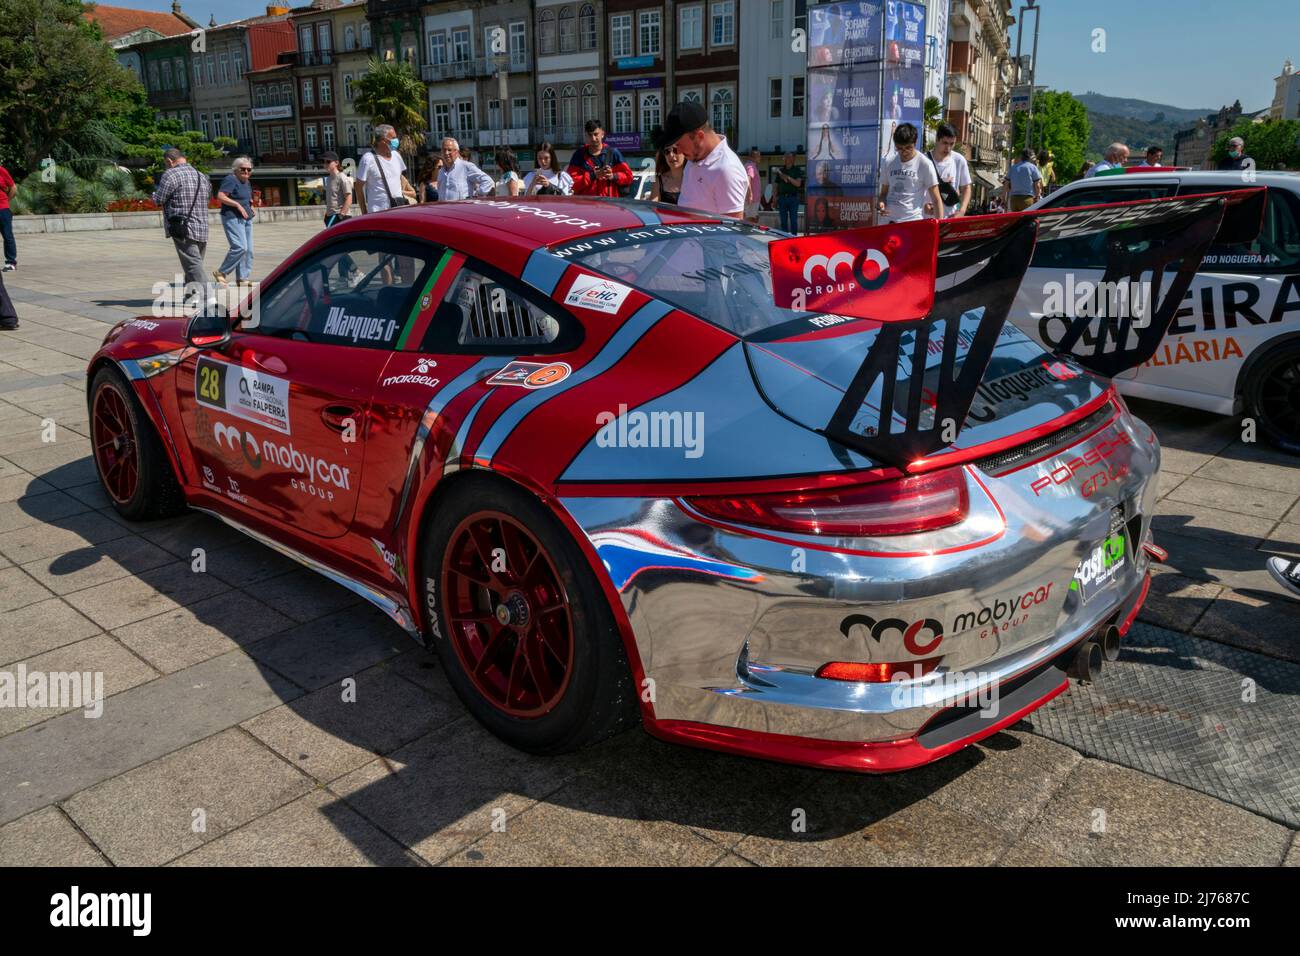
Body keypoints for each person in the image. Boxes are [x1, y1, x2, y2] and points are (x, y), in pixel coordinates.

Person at [660, 101, 749, 218]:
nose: (679, 151)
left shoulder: (726, 170)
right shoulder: (694, 158)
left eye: (679, 145)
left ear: (700, 136)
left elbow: (732, 230)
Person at [151, 147, 211, 295]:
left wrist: (153, 193)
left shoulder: (170, 174)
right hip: (202, 226)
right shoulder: (201, 175)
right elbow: (208, 197)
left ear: (169, 161)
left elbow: (159, 199)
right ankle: (192, 295)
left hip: (183, 227)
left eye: (166, 163)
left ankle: (208, 298)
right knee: (193, 263)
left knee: (193, 265)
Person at [877, 123, 943, 224]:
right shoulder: (888, 162)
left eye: (908, 147)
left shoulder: (925, 164)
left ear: (915, 142)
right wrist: (881, 204)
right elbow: (883, 194)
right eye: (899, 148)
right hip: (887, 222)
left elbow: (937, 199)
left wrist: (939, 229)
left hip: (912, 223)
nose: (904, 152)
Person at [212, 156, 254, 286]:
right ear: (236, 169)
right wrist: (237, 205)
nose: (246, 172)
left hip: (246, 218)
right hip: (232, 216)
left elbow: (247, 198)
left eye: (249, 169)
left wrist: (251, 205)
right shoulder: (231, 179)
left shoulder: (246, 182)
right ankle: (221, 272)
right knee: (240, 246)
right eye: (243, 169)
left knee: (249, 250)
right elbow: (221, 196)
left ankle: (242, 278)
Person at [567, 120, 633, 197]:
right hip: (586, 205)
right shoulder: (579, 155)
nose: (593, 138)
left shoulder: (613, 153)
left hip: (609, 204)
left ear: (602, 134)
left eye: (596, 134)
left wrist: (613, 176)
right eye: (590, 135)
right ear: (586, 136)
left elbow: (629, 177)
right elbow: (570, 182)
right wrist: (593, 175)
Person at [355, 124, 408, 213]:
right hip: (378, 214)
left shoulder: (396, 156)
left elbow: (401, 179)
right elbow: (358, 187)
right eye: (393, 138)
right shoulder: (368, 159)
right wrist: (364, 212)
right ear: (383, 141)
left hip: (399, 210)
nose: (396, 140)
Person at [928, 123, 972, 218]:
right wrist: (923, 206)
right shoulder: (923, 160)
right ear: (937, 140)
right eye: (945, 143)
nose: (948, 148)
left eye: (952, 144)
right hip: (926, 219)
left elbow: (966, 188)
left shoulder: (959, 160)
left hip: (949, 218)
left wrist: (962, 211)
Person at [320, 151, 354, 227]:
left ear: (336, 163)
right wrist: (326, 215)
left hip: (340, 216)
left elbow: (349, 198)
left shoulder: (342, 177)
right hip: (330, 216)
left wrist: (341, 215)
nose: (325, 164)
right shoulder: (328, 179)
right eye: (323, 162)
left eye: (328, 161)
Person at [772, 152, 803, 233]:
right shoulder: (781, 171)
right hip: (782, 198)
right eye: (785, 157)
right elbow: (775, 185)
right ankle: (784, 239)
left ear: (793, 159)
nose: (785, 159)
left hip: (793, 198)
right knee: (783, 221)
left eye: (788, 157)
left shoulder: (797, 170)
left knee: (793, 221)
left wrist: (788, 178)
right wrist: (774, 199)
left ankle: (793, 238)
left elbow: (798, 184)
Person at [0, 162, 16, 271]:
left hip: (2, 209)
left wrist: (6, 201)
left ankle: (10, 262)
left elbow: (13, 187)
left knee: (7, 236)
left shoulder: (1, 170)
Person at [743, 148, 763, 221]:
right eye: (758, 156)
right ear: (753, 157)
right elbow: (748, 179)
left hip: (753, 199)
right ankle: (748, 232)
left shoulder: (750, 166)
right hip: (752, 199)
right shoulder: (750, 166)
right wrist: (750, 193)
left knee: (754, 218)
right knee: (750, 218)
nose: (760, 158)